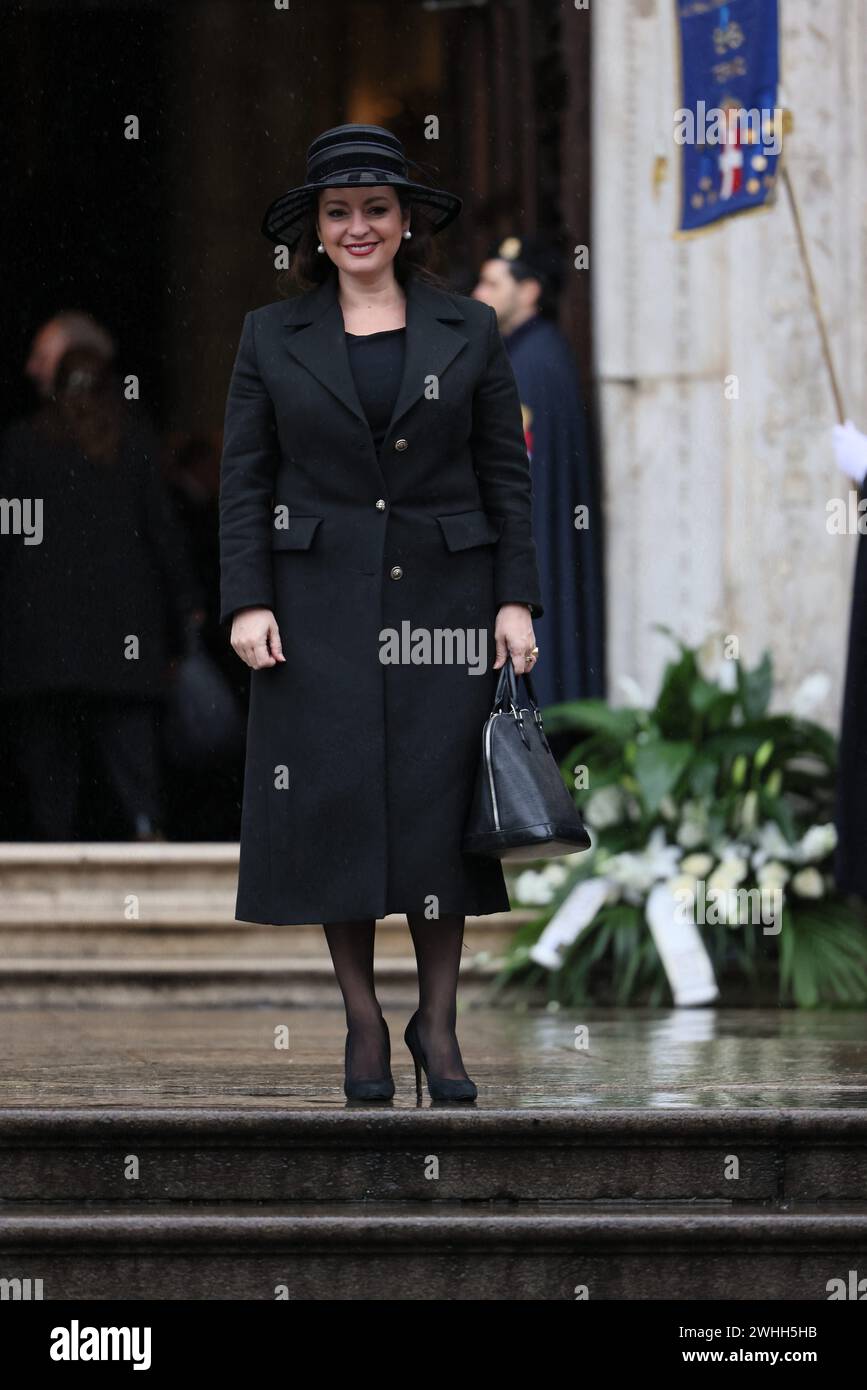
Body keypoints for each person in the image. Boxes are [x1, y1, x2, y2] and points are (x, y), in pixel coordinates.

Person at [219, 124, 544, 1103]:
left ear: (407, 222)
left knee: (435, 817)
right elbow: (246, 481)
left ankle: (437, 1023)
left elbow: (505, 474)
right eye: (338, 212)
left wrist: (515, 598)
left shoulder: (470, 330)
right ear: (315, 230)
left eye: (376, 209)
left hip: (447, 604)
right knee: (337, 811)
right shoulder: (268, 337)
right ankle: (363, 1018)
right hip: (314, 609)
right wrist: (247, 600)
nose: (358, 227)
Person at [0, 340, 203, 839]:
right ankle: (144, 832)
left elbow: (8, 538)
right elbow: (163, 536)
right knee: (133, 759)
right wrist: (185, 610)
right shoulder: (133, 445)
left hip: (42, 639)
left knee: (51, 770)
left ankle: (54, 852)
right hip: (123, 636)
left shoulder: (24, 445)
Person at [473, 235, 606, 709]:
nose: (478, 293)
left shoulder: (529, 362)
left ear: (528, 292)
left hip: (535, 543)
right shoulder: (533, 352)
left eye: (492, 282)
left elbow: (516, 473)